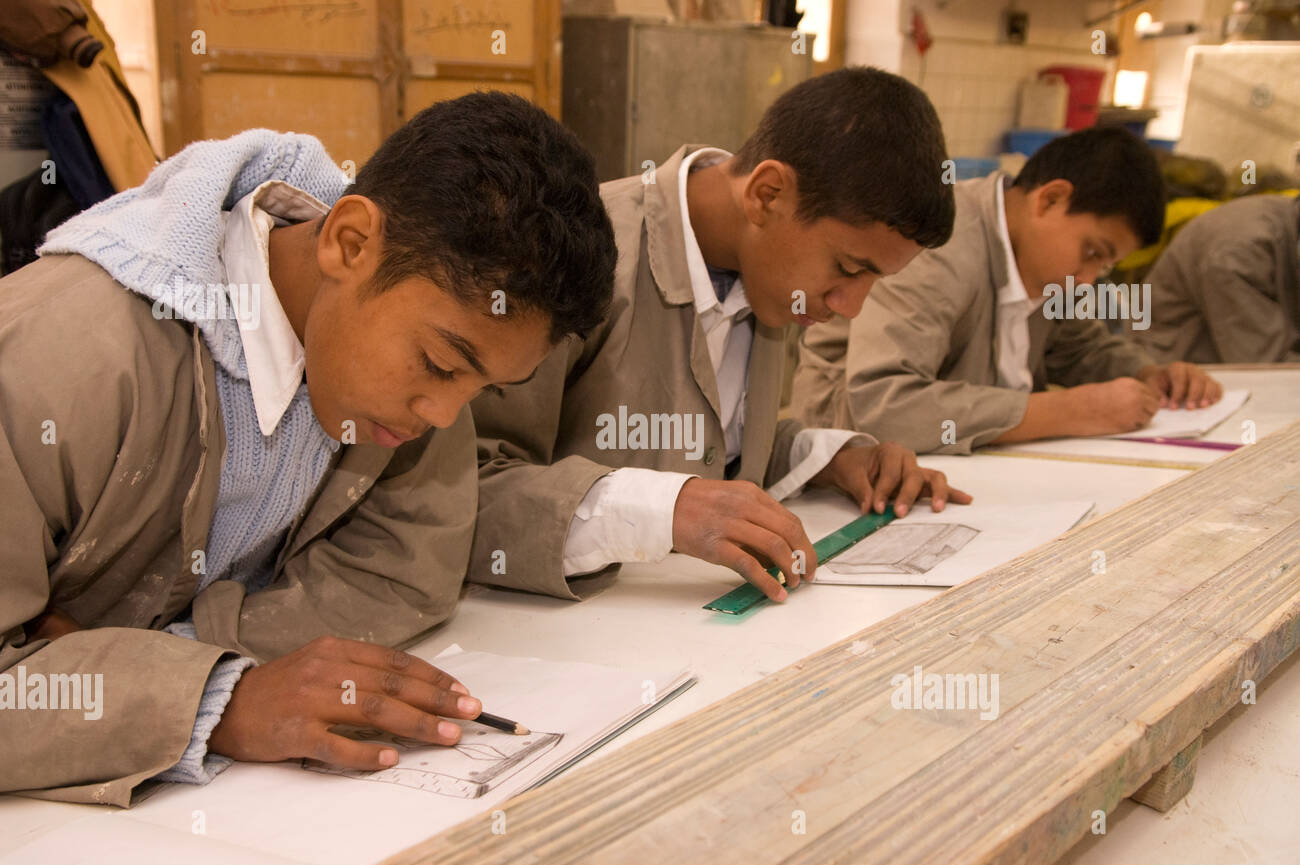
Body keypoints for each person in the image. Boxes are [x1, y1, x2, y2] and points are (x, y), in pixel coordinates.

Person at [0, 92, 616, 804]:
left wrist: (181, 652)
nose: (444, 414)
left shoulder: (396, 372)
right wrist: (220, 701)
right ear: (350, 243)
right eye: (444, 364)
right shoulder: (56, 363)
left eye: (482, 386)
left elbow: (404, 571)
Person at [470, 67, 968, 605]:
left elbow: (706, 449)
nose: (851, 306)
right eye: (848, 268)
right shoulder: (569, 256)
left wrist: (829, 458)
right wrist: (663, 511)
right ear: (766, 193)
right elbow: (464, 488)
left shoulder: (770, 275)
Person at [792, 127, 1223, 455]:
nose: (1089, 278)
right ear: (1050, 200)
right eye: (1092, 251)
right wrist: (1067, 411)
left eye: (1105, 265)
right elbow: (884, 407)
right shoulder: (939, 246)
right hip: (850, 462)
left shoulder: (1045, 264)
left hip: (972, 463)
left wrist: (1150, 375)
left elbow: (1078, 349)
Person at [1142, 194, 1300, 364]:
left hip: (1230, 366)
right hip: (1173, 368)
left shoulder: (1288, 218)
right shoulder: (1237, 253)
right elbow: (1267, 364)